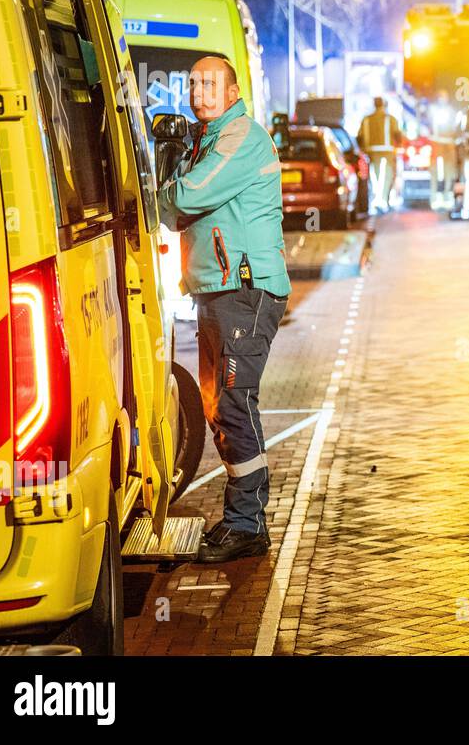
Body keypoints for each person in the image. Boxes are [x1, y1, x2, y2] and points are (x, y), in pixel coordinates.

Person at [158, 56, 291, 563]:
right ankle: (241, 521)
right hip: (217, 291)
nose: (200, 92)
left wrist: (163, 192)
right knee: (217, 406)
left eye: (211, 84)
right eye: (193, 84)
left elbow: (184, 199)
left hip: (245, 291)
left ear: (234, 91)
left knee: (235, 403)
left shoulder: (240, 138)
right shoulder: (207, 139)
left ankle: (248, 523)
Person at [357, 96, 405, 213]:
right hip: (387, 153)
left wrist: (362, 149)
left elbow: (359, 137)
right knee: (386, 176)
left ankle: (375, 200)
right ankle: (382, 200)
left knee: (374, 177)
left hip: (371, 153)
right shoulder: (391, 119)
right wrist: (399, 146)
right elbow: (398, 135)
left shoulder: (366, 120)